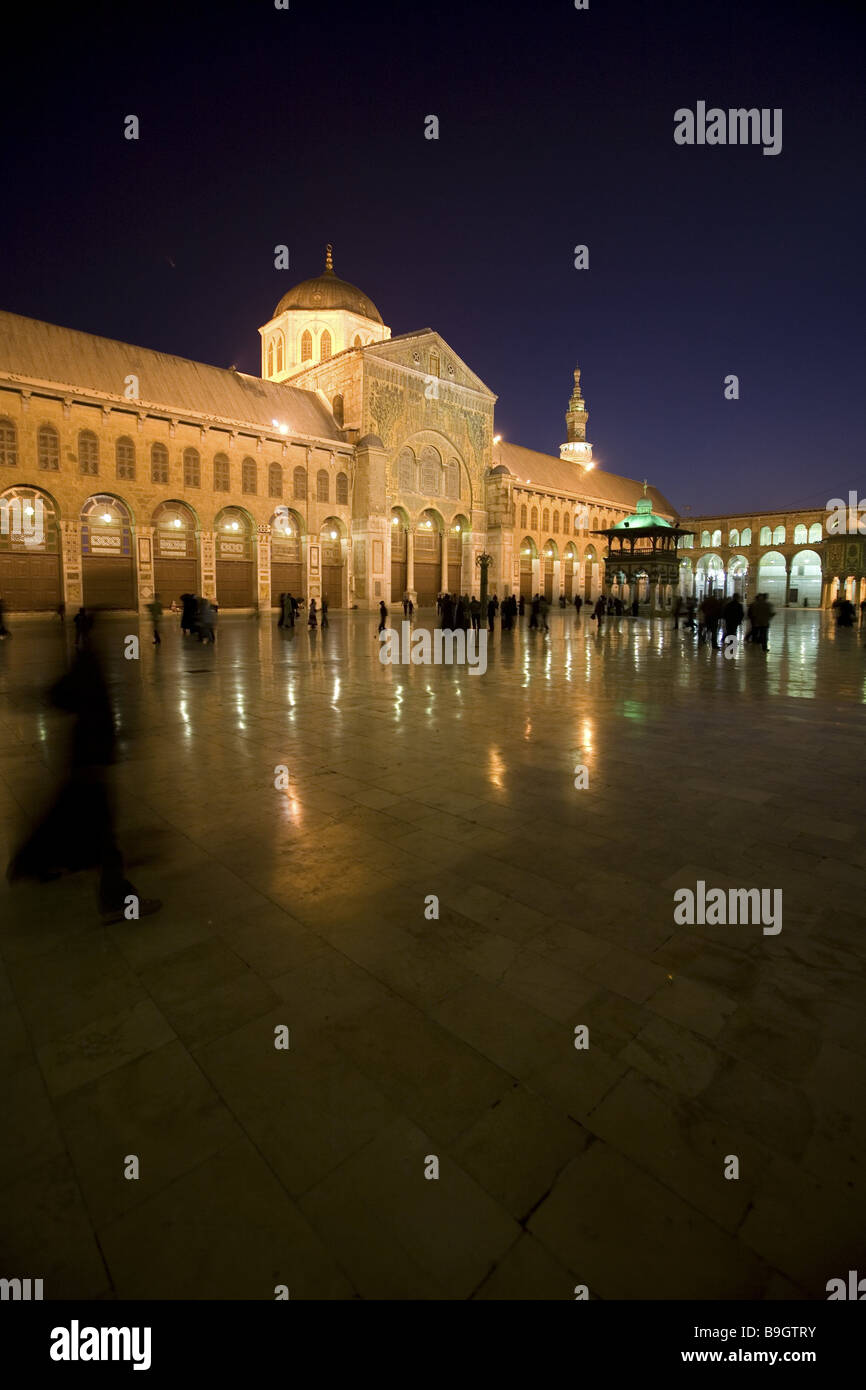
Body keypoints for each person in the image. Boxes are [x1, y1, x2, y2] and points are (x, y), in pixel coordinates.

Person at [7, 627, 161, 923]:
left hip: (84, 759)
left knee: (69, 817)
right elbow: (76, 701)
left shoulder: (87, 663)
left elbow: (60, 697)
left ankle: (35, 864)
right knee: (102, 832)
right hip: (91, 762)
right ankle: (116, 900)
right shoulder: (91, 665)